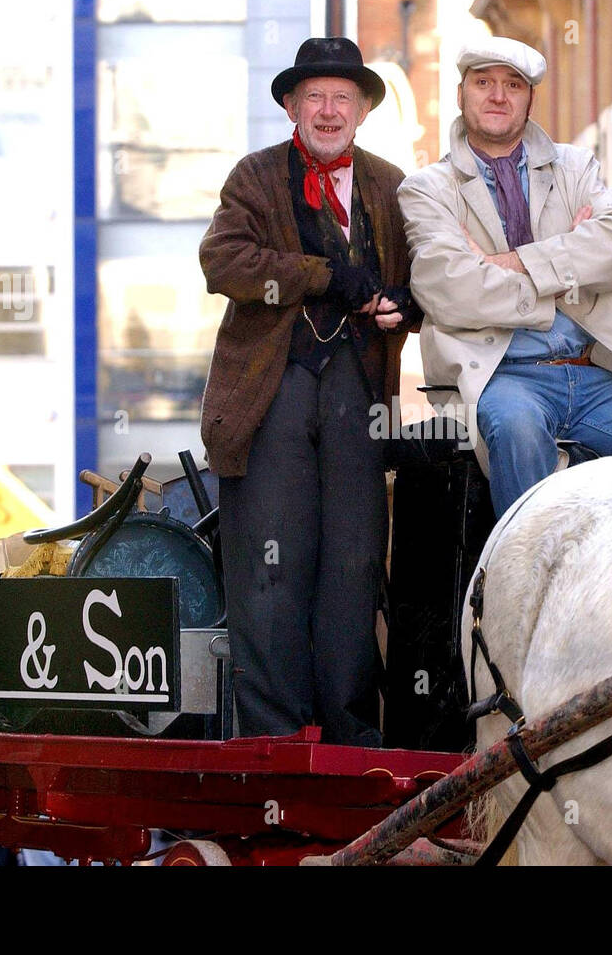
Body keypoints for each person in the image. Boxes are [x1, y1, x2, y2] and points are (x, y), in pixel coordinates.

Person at [398, 37, 612, 518]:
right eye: (484, 83)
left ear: (529, 98)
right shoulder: (426, 188)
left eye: (512, 85)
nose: (498, 96)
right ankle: (522, 586)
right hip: (505, 376)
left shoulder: (575, 165)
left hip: (597, 370)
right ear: (461, 95)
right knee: (516, 430)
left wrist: (504, 263)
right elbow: (449, 290)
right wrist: (564, 270)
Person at [198, 37, 418, 746]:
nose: (328, 110)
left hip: (358, 388)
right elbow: (224, 262)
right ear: (292, 105)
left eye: (342, 98)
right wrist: (323, 275)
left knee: (355, 567)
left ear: (361, 110)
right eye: (315, 97)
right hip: (272, 391)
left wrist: (406, 305)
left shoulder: (390, 185)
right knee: (271, 569)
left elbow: (422, 279)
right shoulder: (255, 177)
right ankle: (275, 741)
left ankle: (352, 745)